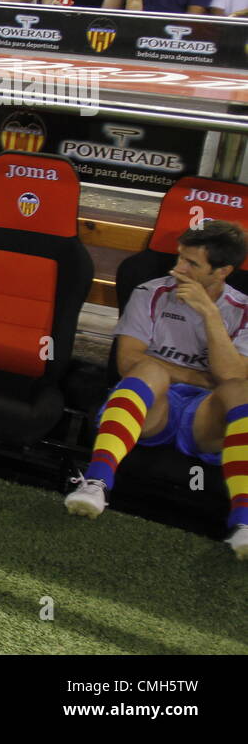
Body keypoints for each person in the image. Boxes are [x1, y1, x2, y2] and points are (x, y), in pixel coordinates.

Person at [64, 220, 248, 560]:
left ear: (223, 271)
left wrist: (209, 313)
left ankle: (244, 522)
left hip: (206, 419)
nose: (177, 268)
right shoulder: (150, 292)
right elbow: (128, 363)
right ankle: (97, 483)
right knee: (148, 368)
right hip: (153, 407)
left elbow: (233, 378)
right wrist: (200, 377)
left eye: (192, 264)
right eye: (180, 258)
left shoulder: (243, 309)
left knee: (242, 393)